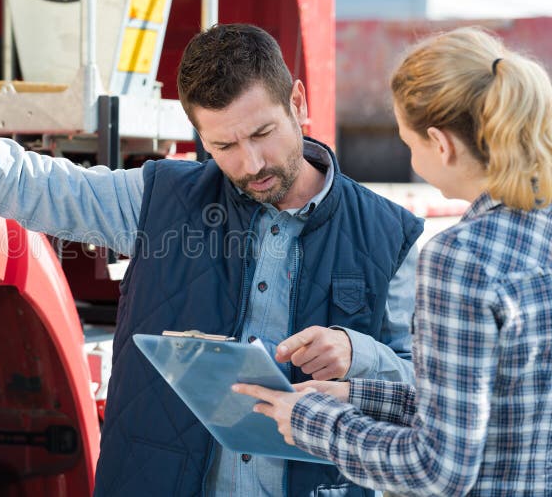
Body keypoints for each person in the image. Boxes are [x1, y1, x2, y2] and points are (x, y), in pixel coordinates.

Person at [0, 23, 422, 496]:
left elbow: (428, 398)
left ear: (300, 105)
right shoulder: (156, 200)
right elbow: (18, 178)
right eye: (223, 145)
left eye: (263, 134)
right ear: (198, 135)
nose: (250, 164)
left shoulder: (392, 237)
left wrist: (356, 351)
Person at [235, 26, 552, 495]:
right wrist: (360, 395)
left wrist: (311, 421)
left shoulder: (461, 259)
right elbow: (490, 406)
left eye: (408, 141)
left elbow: (437, 470)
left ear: (440, 144)